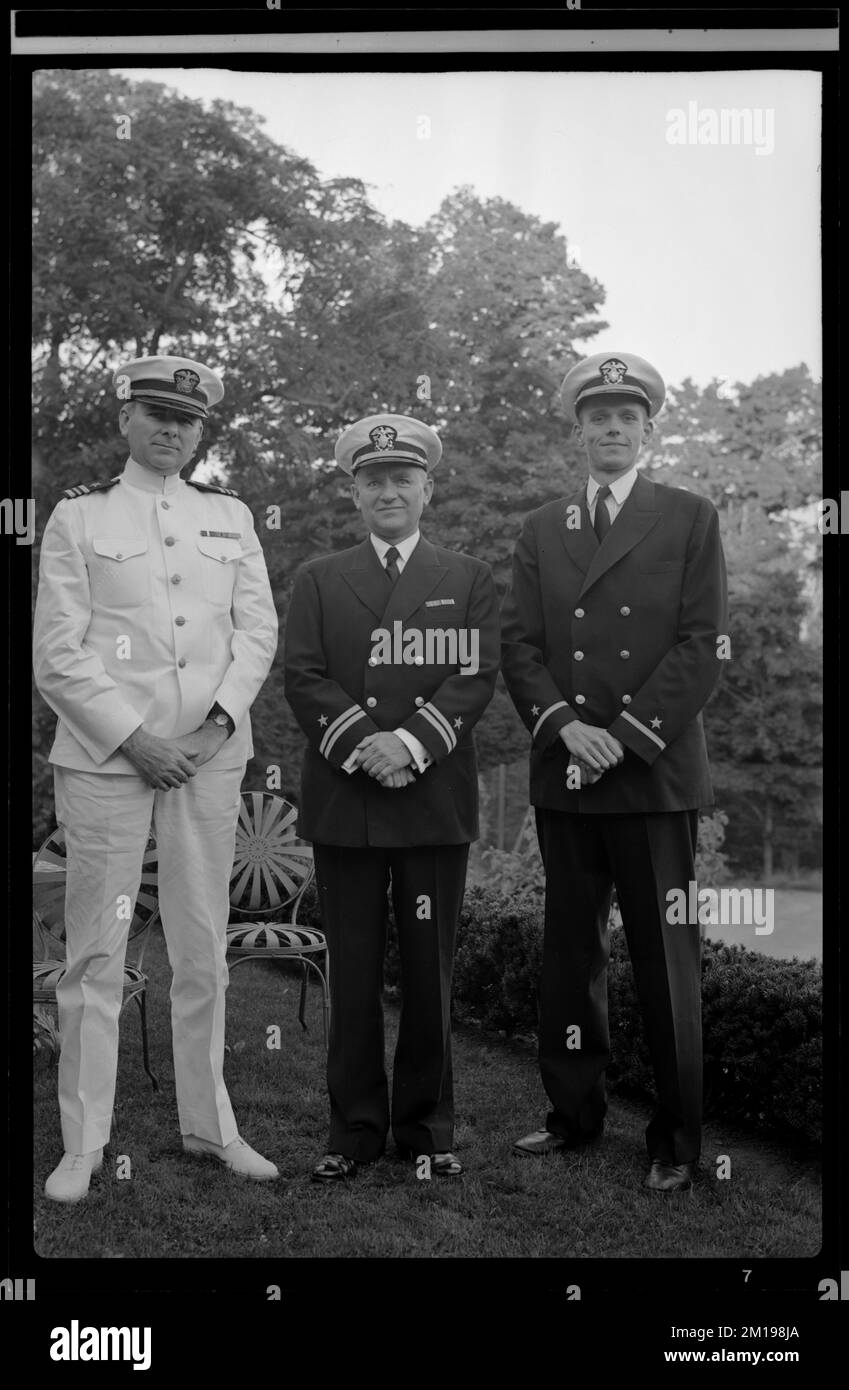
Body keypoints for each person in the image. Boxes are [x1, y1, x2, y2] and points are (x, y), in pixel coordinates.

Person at [33, 355, 280, 1202]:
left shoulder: (231, 515)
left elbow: (256, 634)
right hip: (109, 764)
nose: (171, 429)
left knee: (203, 946)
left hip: (210, 761)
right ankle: (82, 1144)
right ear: (126, 421)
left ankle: (212, 1128)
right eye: (155, 414)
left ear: (201, 431)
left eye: (187, 419)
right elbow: (58, 654)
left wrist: (213, 727)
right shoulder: (78, 516)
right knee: (97, 951)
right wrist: (137, 740)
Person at [500, 353, 728, 1192]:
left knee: (664, 960)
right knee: (569, 954)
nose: (610, 428)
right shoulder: (539, 528)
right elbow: (518, 648)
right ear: (577, 430)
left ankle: (675, 1138)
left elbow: (701, 646)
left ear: (646, 428)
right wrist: (565, 726)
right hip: (567, 769)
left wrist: (622, 736)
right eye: (595, 416)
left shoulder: (689, 516)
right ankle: (572, 1115)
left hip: (652, 774)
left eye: (625, 416)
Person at [284, 413, 499, 1181]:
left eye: (401, 478)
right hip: (345, 803)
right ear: (353, 493)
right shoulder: (317, 576)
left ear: (426, 488)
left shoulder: (468, 576)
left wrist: (407, 744)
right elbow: (302, 676)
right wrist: (362, 745)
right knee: (351, 974)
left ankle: (427, 1130)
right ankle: (352, 1133)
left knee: (428, 973)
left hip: (431, 801)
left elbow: (474, 675)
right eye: (372, 480)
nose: (388, 491)